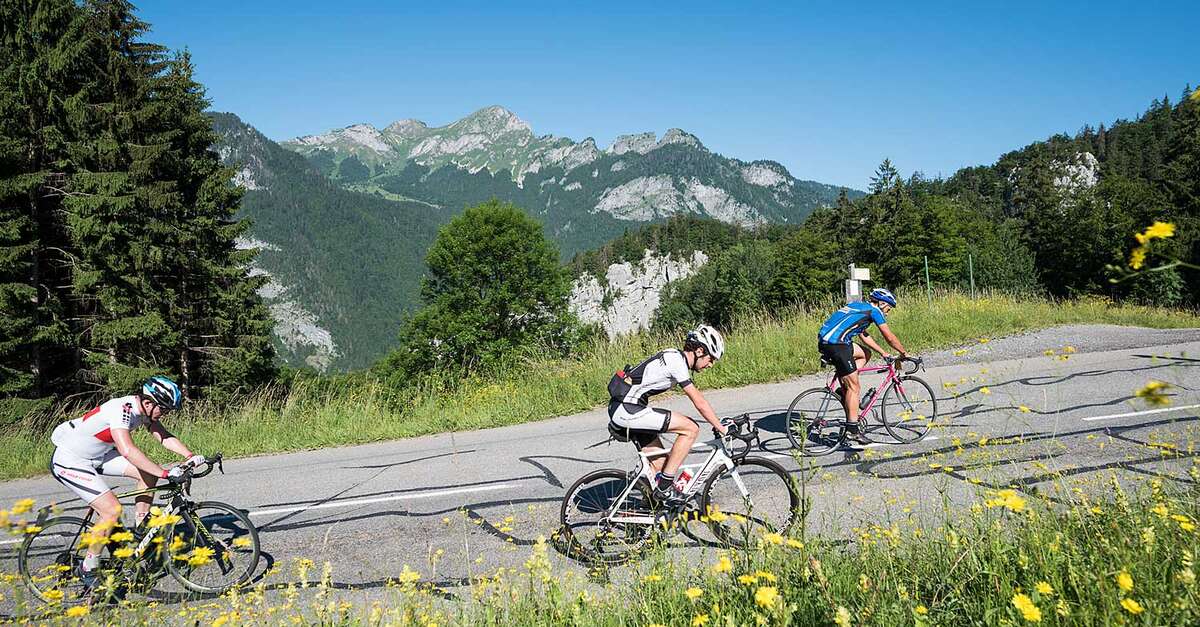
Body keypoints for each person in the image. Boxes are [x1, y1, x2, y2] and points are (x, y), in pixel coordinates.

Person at [49, 376, 203, 587]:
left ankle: (141, 527)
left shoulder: (144, 410)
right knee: (112, 510)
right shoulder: (121, 409)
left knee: (146, 474)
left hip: (99, 455)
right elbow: (127, 450)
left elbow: (164, 436)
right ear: (148, 403)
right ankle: (88, 568)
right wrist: (165, 474)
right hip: (71, 460)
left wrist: (190, 456)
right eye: (164, 409)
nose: (164, 414)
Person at [608, 325, 728, 504]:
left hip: (626, 409)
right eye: (711, 359)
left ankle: (646, 516)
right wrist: (722, 428)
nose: (710, 364)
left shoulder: (673, 354)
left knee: (662, 467)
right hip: (627, 409)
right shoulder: (677, 363)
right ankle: (664, 488)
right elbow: (699, 403)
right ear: (700, 350)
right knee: (690, 429)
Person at [816, 288, 909, 448]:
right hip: (837, 344)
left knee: (865, 354)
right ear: (882, 303)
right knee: (855, 386)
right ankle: (853, 430)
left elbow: (863, 335)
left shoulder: (860, 307)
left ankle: (846, 387)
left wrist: (883, 353)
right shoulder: (874, 311)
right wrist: (903, 352)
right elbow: (889, 337)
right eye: (888, 308)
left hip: (828, 342)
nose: (888, 312)